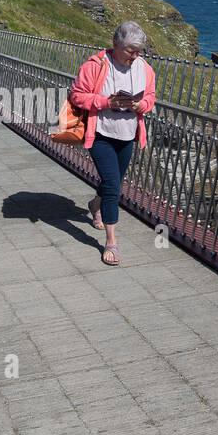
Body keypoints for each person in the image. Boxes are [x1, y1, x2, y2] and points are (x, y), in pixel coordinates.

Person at [68, 21, 156, 266]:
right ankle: (111, 242)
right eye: (131, 51)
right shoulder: (95, 66)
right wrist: (108, 103)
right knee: (113, 186)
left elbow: (150, 98)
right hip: (100, 135)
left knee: (112, 183)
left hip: (128, 135)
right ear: (116, 45)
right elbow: (76, 95)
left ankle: (95, 204)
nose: (135, 56)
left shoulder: (145, 69)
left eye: (139, 51)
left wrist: (141, 105)